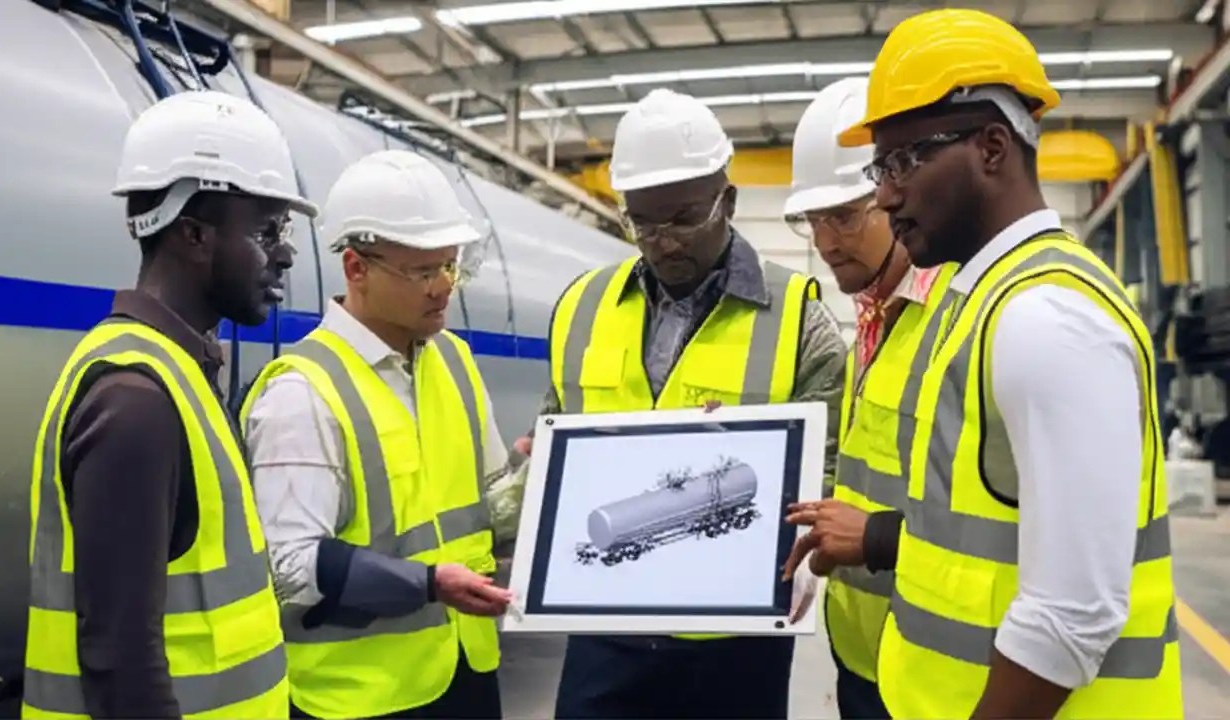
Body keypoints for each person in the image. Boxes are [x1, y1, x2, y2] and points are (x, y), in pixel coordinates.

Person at [786, 8, 1184, 719]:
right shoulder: (980, 303)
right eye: (881, 168)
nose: (885, 194)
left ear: (993, 148)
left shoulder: (1045, 319)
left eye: (904, 161)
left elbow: (1071, 616)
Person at [517, 87, 848, 720]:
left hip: (732, 640)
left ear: (727, 200)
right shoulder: (582, 308)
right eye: (643, 223)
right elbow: (550, 441)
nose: (663, 242)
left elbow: (829, 466)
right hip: (605, 629)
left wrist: (806, 549)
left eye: (683, 219)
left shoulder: (798, 321)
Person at [21, 90, 318, 720]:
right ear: (192, 235)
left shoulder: (179, 371)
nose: (287, 253)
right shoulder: (135, 401)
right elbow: (121, 664)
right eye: (267, 231)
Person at [238, 149, 526, 720]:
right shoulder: (303, 393)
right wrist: (426, 583)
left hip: (468, 674)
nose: (445, 287)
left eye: (451, 266)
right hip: (359, 698)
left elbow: (486, 504)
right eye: (424, 272)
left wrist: (534, 479)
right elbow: (289, 564)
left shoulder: (454, 361)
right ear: (356, 268)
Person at [780, 76, 955, 720]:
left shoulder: (956, 319)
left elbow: (1002, 530)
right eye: (813, 220)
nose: (826, 243)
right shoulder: (871, 317)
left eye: (845, 215)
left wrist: (877, 540)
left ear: (892, 193)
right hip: (861, 654)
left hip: (938, 665)